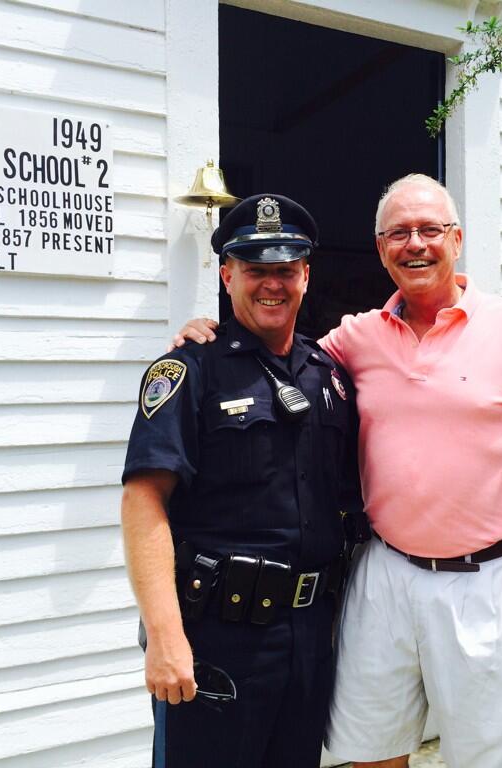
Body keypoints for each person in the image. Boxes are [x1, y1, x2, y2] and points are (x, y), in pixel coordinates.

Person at [173, 174, 502, 768]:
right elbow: (281, 354)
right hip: (384, 573)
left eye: (429, 230)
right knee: (369, 753)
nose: (414, 243)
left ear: (458, 238)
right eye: (398, 233)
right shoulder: (355, 339)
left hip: (486, 581)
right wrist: (204, 335)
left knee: (488, 761)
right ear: (381, 248)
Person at [121, 193, 361, 768]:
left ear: (305, 274)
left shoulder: (330, 375)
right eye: (256, 270)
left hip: (309, 635)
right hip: (216, 638)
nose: (271, 285)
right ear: (227, 275)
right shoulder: (189, 371)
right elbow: (142, 502)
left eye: (285, 269)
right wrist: (163, 635)